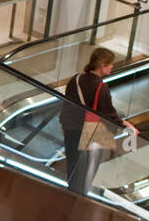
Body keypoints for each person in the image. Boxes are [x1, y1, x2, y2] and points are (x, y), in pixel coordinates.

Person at [59, 48, 137, 197]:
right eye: (110, 64)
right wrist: (125, 124)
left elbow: (67, 105)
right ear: (102, 65)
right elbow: (108, 113)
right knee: (86, 172)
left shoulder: (75, 80)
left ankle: (69, 197)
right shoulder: (101, 87)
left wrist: (64, 125)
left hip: (71, 129)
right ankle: (78, 200)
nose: (112, 67)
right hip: (91, 132)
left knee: (73, 166)